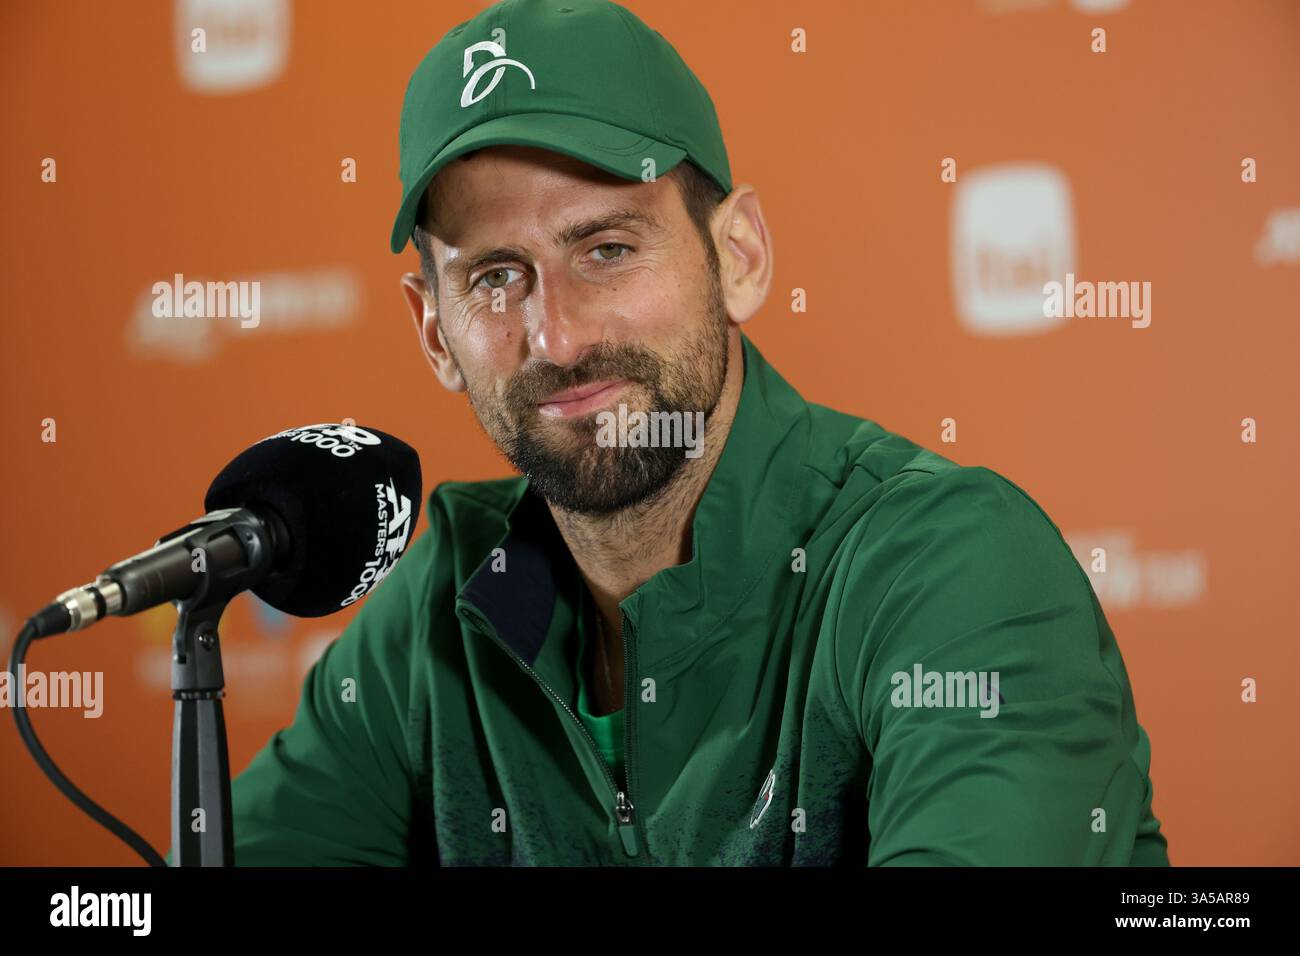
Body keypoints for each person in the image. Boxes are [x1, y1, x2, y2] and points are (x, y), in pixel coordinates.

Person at [226, 0, 1170, 865]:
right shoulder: (444, 603)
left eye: (607, 249)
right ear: (436, 332)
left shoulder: (949, 567)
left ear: (740, 257)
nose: (557, 335)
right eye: (495, 278)